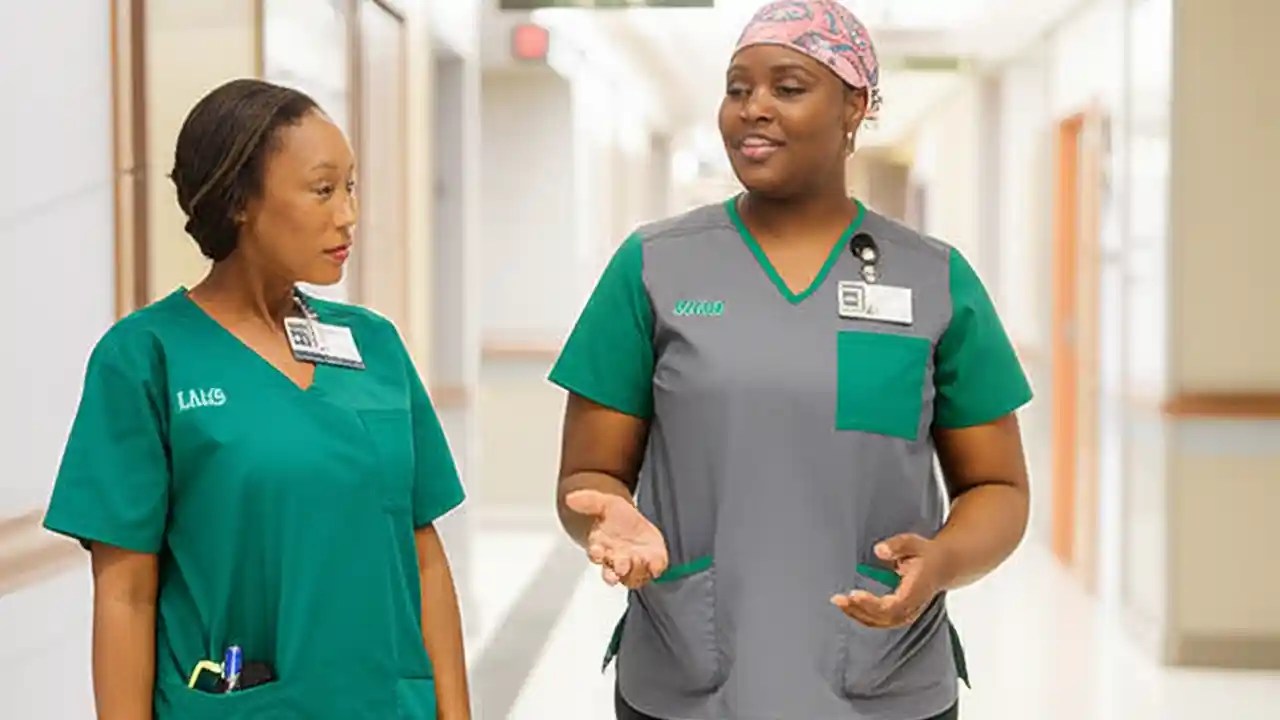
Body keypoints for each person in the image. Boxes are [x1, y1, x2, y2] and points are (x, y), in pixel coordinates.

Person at [549, 2, 1032, 719]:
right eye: (738, 88)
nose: (754, 109)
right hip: (690, 678)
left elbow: (997, 487)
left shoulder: (934, 279)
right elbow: (590, 475)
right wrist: (608, 523)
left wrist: (944, 563)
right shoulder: (653, 267)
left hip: (884, 682)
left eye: (789, 86)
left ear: (854, 106)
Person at [42, 78, 471, 719]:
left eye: (350, 187)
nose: (347, 214)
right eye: (323, 189)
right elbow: (125, 592)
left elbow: (424, 554)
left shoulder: (373, 346)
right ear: (240, 200)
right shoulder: (146, 357)